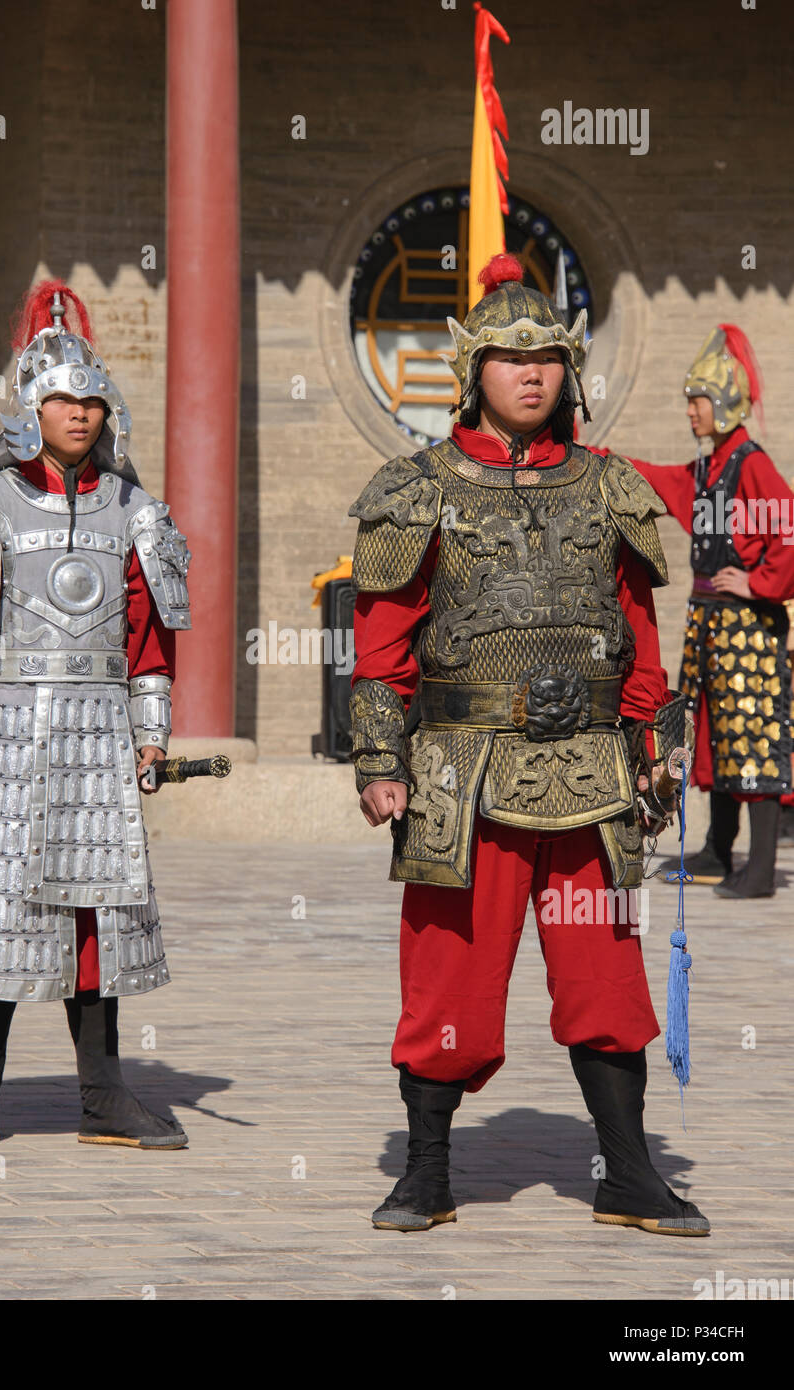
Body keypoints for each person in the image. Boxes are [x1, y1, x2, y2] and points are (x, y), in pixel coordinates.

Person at [348, 254, 709, 1236]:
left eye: (545, 355)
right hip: (461, 775)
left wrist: (654, 746)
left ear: (566, 369)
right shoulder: (415, 488)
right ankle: (425, 1170)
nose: (530, 373)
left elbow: (638, 639)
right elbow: (379, 655)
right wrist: (379, 766)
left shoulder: (610, 488)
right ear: (474, 370)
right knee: (447, 983)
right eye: (509, 358)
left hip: (592, 776)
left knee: (606, 979)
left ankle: (627, 1172)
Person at [0, 280, 191, 1152]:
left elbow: (148, 641)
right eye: (65, 398)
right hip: (4, 728)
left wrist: (151, 736)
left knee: (97, 916)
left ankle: (106, 1099)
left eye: (93, 399)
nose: (82, 413)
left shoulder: (137, 512)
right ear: (31, 407)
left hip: (100, 735)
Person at [626, 326, 794, 897]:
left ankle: (764, 869)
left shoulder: (750, 464)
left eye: (697, 401)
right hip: (710, 624)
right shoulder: (708, 470)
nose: (690, 412)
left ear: (722, 403)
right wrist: (597, 460)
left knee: (751, 733)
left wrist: (759, 583)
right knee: (714, 736)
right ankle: (720, 852)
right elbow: (658, 478)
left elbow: (787, 530)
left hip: (746, 628)